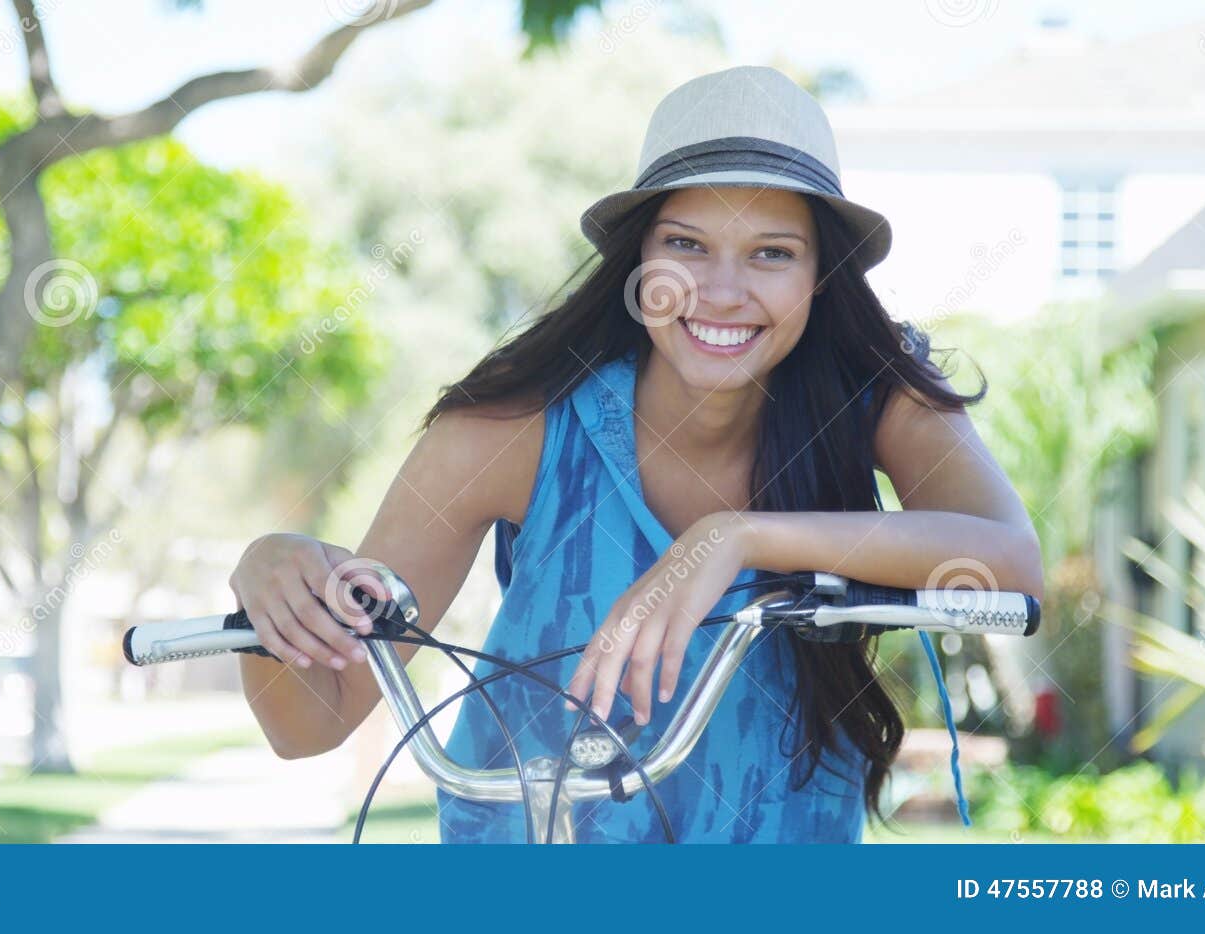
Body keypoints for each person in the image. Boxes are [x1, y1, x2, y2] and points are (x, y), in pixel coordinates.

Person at [228, 65, 1044, 843]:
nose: (721, 292)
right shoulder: (512, 429)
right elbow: (312, 722)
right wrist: (267, 586)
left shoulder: (870, 395)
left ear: (822, 276)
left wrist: (738, 537)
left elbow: (1009, 563)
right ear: (641, 259)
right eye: (687, 244)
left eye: (772, 252)